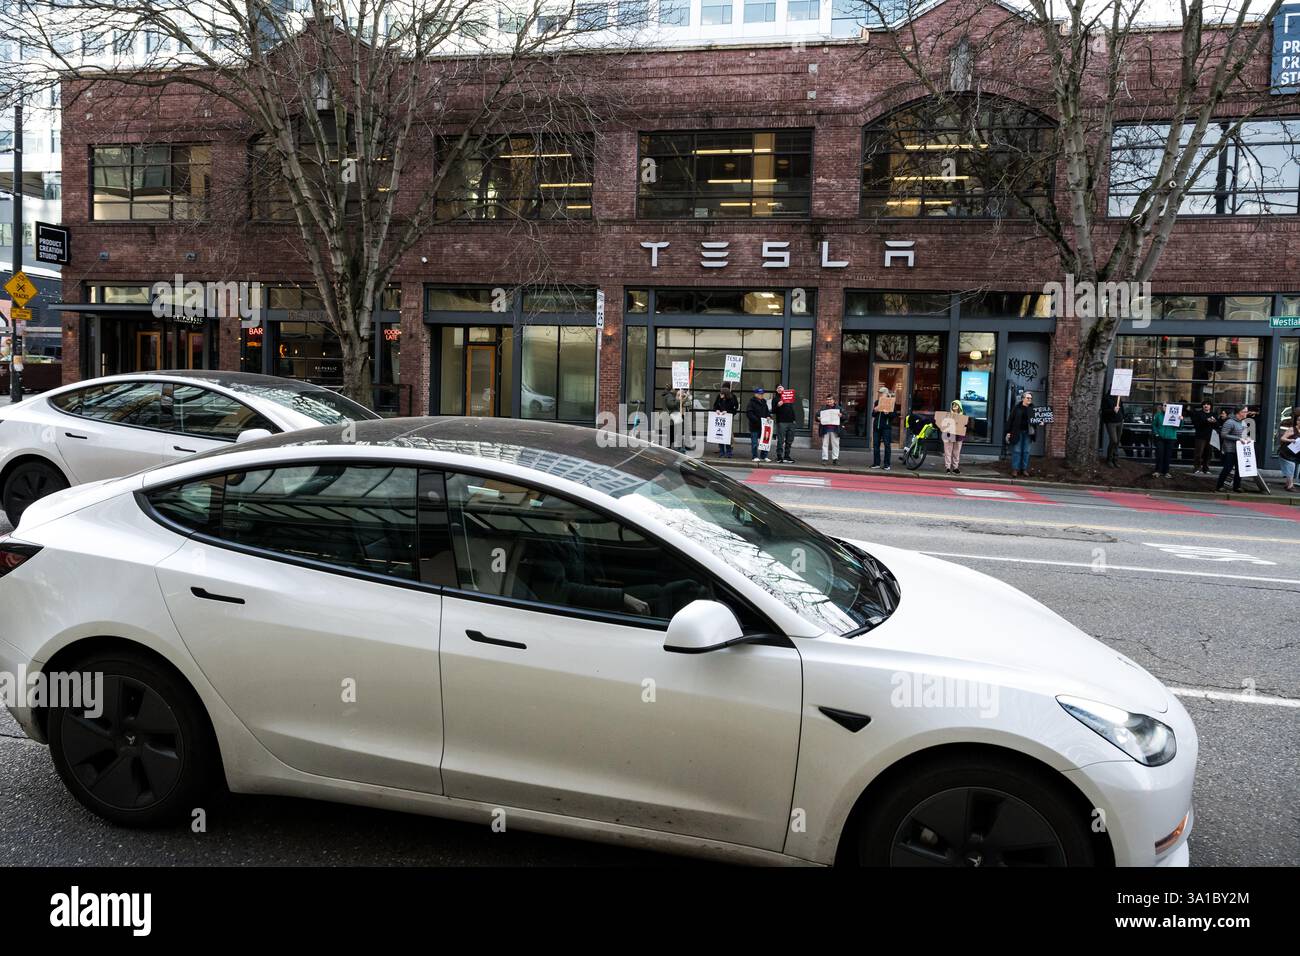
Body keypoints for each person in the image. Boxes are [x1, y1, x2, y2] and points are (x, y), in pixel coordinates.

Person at [1215, 405, 1250, 493]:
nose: (1247, 413)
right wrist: (1238, 439)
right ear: (1240, 412)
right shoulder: (1229, 422)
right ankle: (1219, 486)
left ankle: (1237, 486)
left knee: (1240, 468)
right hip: (1230, 449)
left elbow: (1244, 435)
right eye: (1245, 411)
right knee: (1227, 468)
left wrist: (1247, 438)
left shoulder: (1243, 422)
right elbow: (1223, 435)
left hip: (1240, 449)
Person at [1006, 390, 1036, 477]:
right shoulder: (1017, 408)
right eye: (1028, 398)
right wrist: (1008, 432)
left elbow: (1036, 420)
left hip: (1028, 433)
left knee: (1026, 451)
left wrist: (1040, 422)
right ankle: (1015, 469)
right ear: (1023, 398)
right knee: (1017, 451)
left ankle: (1024, 469)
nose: (1029, 399)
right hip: (1017, 432)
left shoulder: (1033, 408)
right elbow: (1010, 420)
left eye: (1031, 398)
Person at [1150, 402, 1178, 479]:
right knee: (1159, 454)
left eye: (1165, 405)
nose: (1164, 406)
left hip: (1171, 438)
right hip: (1160, 438)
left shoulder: (1175, 415)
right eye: (1163, 405)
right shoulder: (1158, 415)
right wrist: (1156, 434)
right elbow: (1154, 425)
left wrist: (1181, 420)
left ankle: (1166, 472)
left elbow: (1179, 427)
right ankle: (1157, 471)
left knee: (1167, 455)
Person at [1188, 401, 1217, 475]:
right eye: (1204, 404)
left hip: (1210, 436)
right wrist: (1206, 421)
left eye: (1208, 404)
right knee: (1199, 454)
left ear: (1210, 406)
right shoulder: (1198, 414)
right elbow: (1196, 424)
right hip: (1200, 436)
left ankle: (1206, 469)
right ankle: (1197, 468)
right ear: (1202, 406)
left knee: (1208, 454)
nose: (1206, 406)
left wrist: (1215, 421)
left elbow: (1217, 425)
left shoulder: (1213, 414)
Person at [871, 387, 895, 470]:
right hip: (876, 427)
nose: (880, 394)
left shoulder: (891, 401)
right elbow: (873, 415)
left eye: (882, 393)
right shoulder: (877, 402)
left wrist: (887, 414)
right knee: (875, 445)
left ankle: (887, 464)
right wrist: (875, 410)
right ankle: (876, 463)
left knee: (887, 445)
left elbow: (894, 416)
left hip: (886, 428)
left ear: (886, 393)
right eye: (880, 393)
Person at [712, 383, 739, 459]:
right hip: (720, 419)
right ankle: (721, 452)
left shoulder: (732, 399)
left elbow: (735, 409)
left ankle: (729, 452)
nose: (720, 395)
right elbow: (715, 406)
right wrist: (716, 410)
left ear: (725, 394)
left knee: (727, 436)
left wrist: (727, 412)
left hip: (728, 419)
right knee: (720, 436)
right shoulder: (719, 397)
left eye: (722, 394)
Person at [746, 386, 771, 463]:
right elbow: (749, 414)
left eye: (762, 394)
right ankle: (755, 456)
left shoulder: (764, 402)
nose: (761, 395)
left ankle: (764, 456)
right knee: (754, 443)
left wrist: (768, 416)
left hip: (764, 426)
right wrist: (758, 420)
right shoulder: (751, 402)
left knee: (764, 442)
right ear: (755, 394)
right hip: (754, 426)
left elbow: (767, 411)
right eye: (760, 394)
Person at [774, 383, 797, 464]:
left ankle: (787, 456)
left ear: (784, 389)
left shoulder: (789, 398)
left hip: (791, 422)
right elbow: (773, 410)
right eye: (778, 388)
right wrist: (778, 405)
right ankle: (779, 456)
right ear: (776, 390)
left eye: (781, 388)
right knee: (780, 440)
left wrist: (794, 419)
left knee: (789, 440)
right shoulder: (775, 399)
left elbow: (792, 409)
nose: (780, 389)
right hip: (782, 422)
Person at [941, 399, 966, 474]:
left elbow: (965, 425)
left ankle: (955, 468)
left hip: (959, 436)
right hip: (949, 435)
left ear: (959, 406)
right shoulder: (948, 415)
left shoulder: (963, 415)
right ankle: (948, 467)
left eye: (956, 405)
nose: (954, 406)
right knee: (948, 452)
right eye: (953, 405)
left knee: (956, 452)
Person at [818, 394, 842, 465]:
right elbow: (817, 416)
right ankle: (825, 459)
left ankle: (835, 459)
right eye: (827, 400)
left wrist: (842, 416)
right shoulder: (823, 408)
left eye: (830, 399)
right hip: (825, 429)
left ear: (834, 400)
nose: (829, 401)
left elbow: (846, 416)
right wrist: (818, 418)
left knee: (836, 445)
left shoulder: (839, 408)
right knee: (825, 444)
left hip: (835, 429)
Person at [1278, 407, 1297, 493]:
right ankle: (1290, 485)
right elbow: (1282, 438)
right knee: (1291, 467)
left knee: (1293, 468)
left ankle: (1288, 484)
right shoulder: (1291, 429)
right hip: (1287, 452)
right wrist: (1291, 440)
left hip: (1296, 453)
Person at [1101, 396, 1124, 468]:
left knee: (1117, 442)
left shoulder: (1118, 397)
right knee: (1114, 440)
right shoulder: (1106, 398)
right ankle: (1109, 460)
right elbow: (1104, 411)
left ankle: (1115, 460)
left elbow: (1122, 409)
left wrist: (1123, 417)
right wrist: (1112, 410)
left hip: (1120, 422)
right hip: (1111, 422)